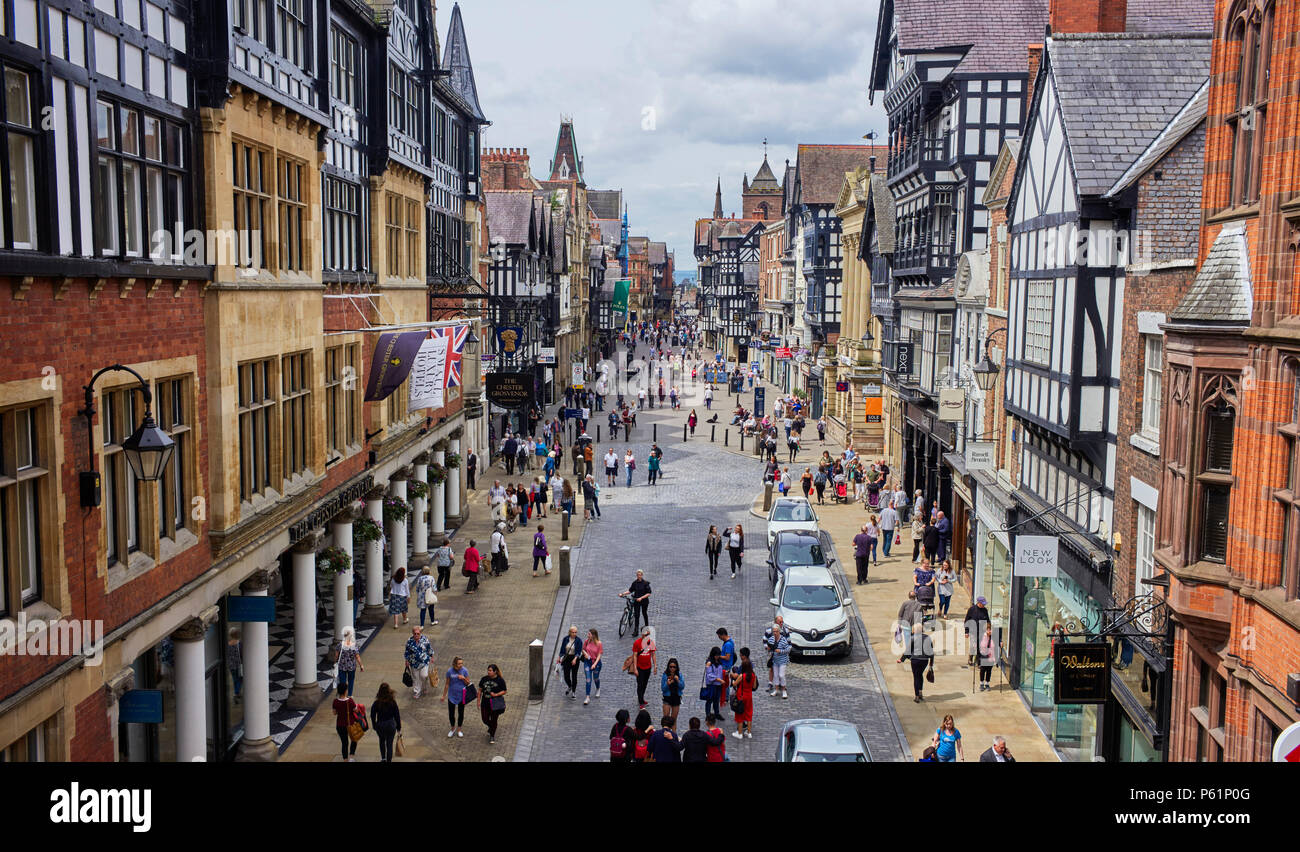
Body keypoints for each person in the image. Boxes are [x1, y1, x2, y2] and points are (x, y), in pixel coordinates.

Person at [370, 683, 401, 762]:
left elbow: (372, 715)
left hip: (380, 725)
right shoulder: (393, 702)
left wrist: (374, 724)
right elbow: (397, 715)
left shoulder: (377, 703)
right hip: (391, 725)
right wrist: (399, 728)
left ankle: (383, 758)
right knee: (389, 744)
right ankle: (389, 760)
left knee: (382, 741)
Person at [442, 656, 471, 738]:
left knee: (461, 713)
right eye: (459, 663)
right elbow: (447, 684)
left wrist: (463, 678)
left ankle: (459, 729)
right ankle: (452, 728)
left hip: (462, 695)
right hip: (452, 695)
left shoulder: (464, 671)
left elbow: (468, 683)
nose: (461, 665)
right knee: (451, 713)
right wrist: (444, 695)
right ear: (455, 664)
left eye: (462, 663)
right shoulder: (449, 671)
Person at [477, 664, 507, 745]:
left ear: (495, 671)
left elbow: (504, 691)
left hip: (495, 704)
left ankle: (492, 735)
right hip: (485, 702)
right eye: (488, 670)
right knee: (484, 719)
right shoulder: (484, 679)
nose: (488, 672)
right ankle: (491, 727)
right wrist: (478, 701)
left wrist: (496, 694)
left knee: (494, 720)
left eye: (490, 670)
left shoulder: (500, 680)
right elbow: (480, 691)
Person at [764, 616, 792, 699]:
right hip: (775, 660)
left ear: (779, 631)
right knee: (776, 675)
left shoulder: (783, 639)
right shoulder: (771, 639)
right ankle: (776, 689)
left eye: (776, 631)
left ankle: (784, 690)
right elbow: (768, 646)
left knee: (781, 675)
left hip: (782, 660)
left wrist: (780, 651)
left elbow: (788, 648)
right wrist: (769, 649)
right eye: (774, 631)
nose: (775, 633)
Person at [730, 656, 758, 739]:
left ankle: (739, 733)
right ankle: (749, 733)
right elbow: (754, 686)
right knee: (749, 713)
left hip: (741, 696)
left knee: (740, 714)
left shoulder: (742, 676)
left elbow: (734, 684)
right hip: (749, 696)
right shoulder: (753, 675)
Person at [403, 625, 433, 699]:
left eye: (418, 633)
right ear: (413, 633)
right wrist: (407, 660)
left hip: (424, 662)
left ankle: (424, 686)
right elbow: (407, 651)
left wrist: (431, 656)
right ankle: (417, 691)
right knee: (415, 678)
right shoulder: (410, 641)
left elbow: (429, 648)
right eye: (415, 633)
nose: (416, 635)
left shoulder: (425, 640)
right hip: (414, 663)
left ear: (420, 633)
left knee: (424, 675)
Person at [332, 684, 360, 762]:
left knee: (344, 743)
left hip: (340, 725)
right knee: (354, 739)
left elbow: (334, 713)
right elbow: (356, 710)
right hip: (350, 724)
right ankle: (351, 757)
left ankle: (345, 760)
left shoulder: (335, 701)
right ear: (345, 691)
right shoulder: (350, 701)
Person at [632, 626, 658, 709]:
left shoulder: (651, 643)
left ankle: (642, 698)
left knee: (645, 684)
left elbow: (653, 654)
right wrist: (635, 668)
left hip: (648, 667)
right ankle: (640, 701)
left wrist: (655, 666)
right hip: (640, 667)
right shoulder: (637, 643)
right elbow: (635, 656)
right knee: (640, 684)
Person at [909, 621, 934, 703]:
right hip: (924, 660)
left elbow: (908, 651)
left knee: (916, 677)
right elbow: (931, 651)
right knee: (920, 675)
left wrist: (902, 659)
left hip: (915, 660)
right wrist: (931, 663)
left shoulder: (913, 638)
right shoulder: (927, 637)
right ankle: (920, 692)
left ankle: (916, 696)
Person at [620, 569, 652, 634]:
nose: (638, 576)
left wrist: (641, 598)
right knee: (637, 615)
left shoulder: (645, 583)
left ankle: (646, 626)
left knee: (644, 613)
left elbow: (649, 593)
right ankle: (636, 630)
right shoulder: (635, 583)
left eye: (639, 575)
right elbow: (630, 590)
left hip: (644, 601)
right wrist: (623, 594)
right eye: (637, 575)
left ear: (642, 575)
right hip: (636, 601)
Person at [337, 626, 364, 697]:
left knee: (342, 681)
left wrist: (336, 662)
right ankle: (349, 695)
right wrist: (361, 665)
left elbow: (336, 655)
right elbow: (357, 656)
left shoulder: (340, 645)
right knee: (351, 681)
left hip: (342, 666)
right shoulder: (354, 645)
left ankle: (342, 695)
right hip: (352, 666)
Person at [557, 625, 583, 699]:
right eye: (573, 632)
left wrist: (575, 659)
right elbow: (562, 649)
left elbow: (578, 651)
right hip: (567, 658)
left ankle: (574, 692)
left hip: (575, 658)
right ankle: (569, 686)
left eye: (576, 632)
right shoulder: (565, 639)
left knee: (574, 676)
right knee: (566, 676)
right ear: (570, 632)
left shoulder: (578, 640)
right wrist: (559, 657)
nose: (574, 634)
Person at [897, 590, 923, 663]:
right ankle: (910, 654)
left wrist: (899, 624)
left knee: (908, 641)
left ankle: (908, 655)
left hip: (906, 625)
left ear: (909, 596)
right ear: (915, 597)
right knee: (914, 640)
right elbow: (920, 616)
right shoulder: (919, 605)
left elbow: (900, 614)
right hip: (915, 626)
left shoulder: (905, 603)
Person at [964, 597, 991, 667]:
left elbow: (988, 620)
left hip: (982, 632)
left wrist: (988, 629)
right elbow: (967, 620)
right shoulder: (972, 610)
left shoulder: (985, 610)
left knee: (980, 647)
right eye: (983, 604)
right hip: (973, 631)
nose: (984, 605)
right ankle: (970, 657)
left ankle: (978, 661)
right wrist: (966, 631)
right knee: (974, 646)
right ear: (979, 603)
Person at [582, 628, 603, 705]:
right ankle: (587, 697)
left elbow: (599, 655)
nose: (588, 635)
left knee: (596, 678)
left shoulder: (599, 643)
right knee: (588, 679)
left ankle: (598, 688)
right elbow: (583, 649)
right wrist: (585, 653)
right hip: (587, 662)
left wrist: (594, 664)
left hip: (596, 663)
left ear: (593, 635)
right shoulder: (586, 641)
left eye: (589, 634)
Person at [661, 657, 685, 724]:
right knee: (666, 721)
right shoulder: (665, 675)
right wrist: (667, 684)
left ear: (676, 667)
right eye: (670, 667)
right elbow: (663, 689)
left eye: (674, 667)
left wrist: (678, 681)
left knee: (673, 721)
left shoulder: (679, 675)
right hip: (667, 698)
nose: (672, 669)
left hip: (676, 698)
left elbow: (682, 687)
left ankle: (673, 734)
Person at [979, 623, 997, 691]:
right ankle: (981, 683)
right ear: (985, 630)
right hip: (984, 656)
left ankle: (987, 683)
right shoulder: (982, 637)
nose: (990, 631)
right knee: (983, 670)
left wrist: (1000, 643)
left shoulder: (993, 637)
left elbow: (995, 646)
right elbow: (982, 646)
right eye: (988, 629)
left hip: (991, 657)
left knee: (989, 671)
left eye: (991, 630)